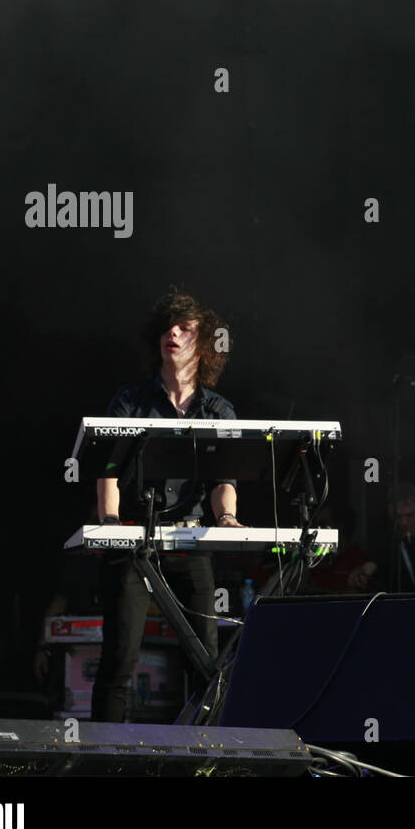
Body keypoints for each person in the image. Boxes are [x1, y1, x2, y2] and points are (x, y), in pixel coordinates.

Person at [90, 289, 243, 722]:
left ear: (204, 342)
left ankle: (202, 756)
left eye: (184, 328)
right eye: (166, 327)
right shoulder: (130, 401)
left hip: (190, 540)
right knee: (120, 658)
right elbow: (108, 472)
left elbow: (223, 481)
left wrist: (227, 517)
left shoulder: (218, 410)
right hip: (136, 541)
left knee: (205, 660)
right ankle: (106, 762)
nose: (172, 333)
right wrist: (111, 524)